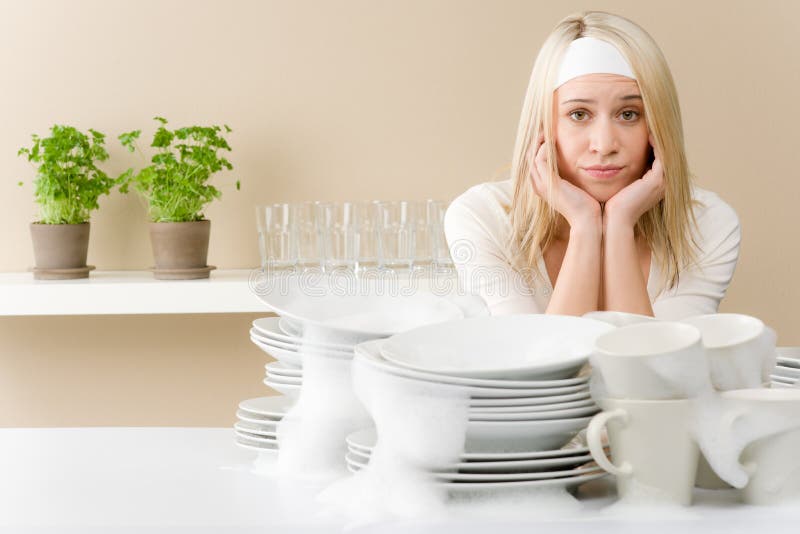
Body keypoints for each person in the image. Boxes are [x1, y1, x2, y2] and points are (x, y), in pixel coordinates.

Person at [444, 11, 740, 320]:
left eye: (629, 114)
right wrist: (584, 224)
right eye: (579, 114)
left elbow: (651, 365)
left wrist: (619, 224)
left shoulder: (708, 225)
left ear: (659, 126)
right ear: (543, 125)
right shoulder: (483, 217)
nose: (604, 144)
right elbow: (540, 361)